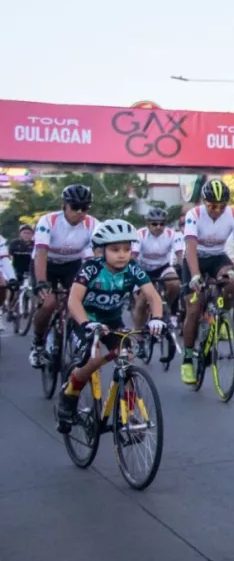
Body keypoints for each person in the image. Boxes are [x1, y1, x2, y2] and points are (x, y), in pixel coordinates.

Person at [55, 220, 164, 433]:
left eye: (126, 249)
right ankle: (68, 397)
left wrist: (157, 318)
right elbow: (73, 301)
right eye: (115, 249)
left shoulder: (133, 268)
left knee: (126, 358)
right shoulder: (91, 269)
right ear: (100, 250)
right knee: (92, 359)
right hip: (86, 318)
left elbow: (153, 296)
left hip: (113, 320)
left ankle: (129, 415)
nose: (122, 254)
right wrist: (87, 323)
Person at [180, 179, 234, 384]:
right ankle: (188, 359)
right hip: (195, 258)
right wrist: (195, 275)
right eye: (212, 206)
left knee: (232, 283)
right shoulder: (194, 214)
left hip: (218, 257)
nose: (217, 210)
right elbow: (190, 247)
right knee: (193, 308)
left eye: (221, 206)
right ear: (204, 202)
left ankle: (223, 317)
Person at [30, 184, 100, 368]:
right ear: (64, 205)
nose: (79, 212)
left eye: (84, 208)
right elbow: (41, 253)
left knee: (78, 302)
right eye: (74, 207)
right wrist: (42, 282)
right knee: (49, 303)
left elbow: (97, 255)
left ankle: (74, 336)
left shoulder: (93, 224)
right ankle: (37, 344)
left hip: (72, 265)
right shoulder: (49, 221)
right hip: (47, 264)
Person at [131, 207, 182, 332]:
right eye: (154, 223)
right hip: (143, 268)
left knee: (174, 284)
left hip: (163, 267)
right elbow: (134, 256)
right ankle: (137, 333)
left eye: (162, 223)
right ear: (147, 224)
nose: (158, 226)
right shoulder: (139, 234)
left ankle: (166, 308)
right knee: (143, 299)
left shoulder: (172, 234)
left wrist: (184, 269)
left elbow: (180, 255)